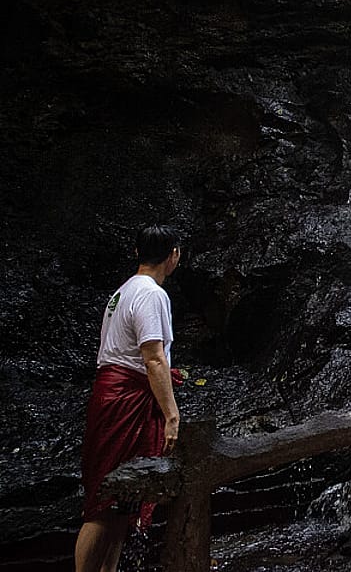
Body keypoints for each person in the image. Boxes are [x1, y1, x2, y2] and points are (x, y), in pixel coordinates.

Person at [75, 225, 182, 572]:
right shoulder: (151, 294)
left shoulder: (122, 292)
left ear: (137, 253)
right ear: (173, 256)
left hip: (112, 396)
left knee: (122, 501)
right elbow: (152, 357)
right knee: (103, 504)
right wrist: (171, 415)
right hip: (125, 401)